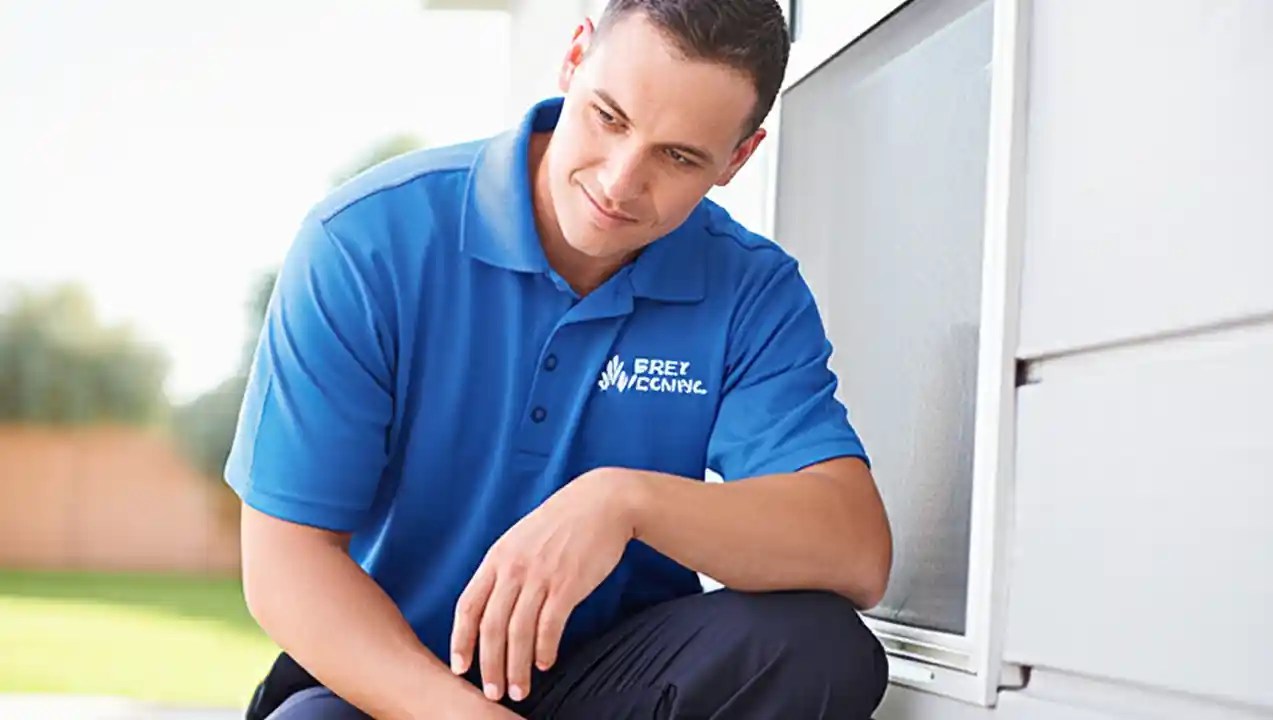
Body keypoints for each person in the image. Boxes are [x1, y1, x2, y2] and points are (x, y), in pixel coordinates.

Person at [226, 1, 893, 718]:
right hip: (390, 686)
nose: (619, 182)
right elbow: (284, 566)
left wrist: (625, 502)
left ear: (737, 158)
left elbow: (854, 552)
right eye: (609, 117)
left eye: (677, 156)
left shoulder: (750, 290)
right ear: (575, 57)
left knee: (819, 646)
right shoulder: (364, 243)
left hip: (615, 681)